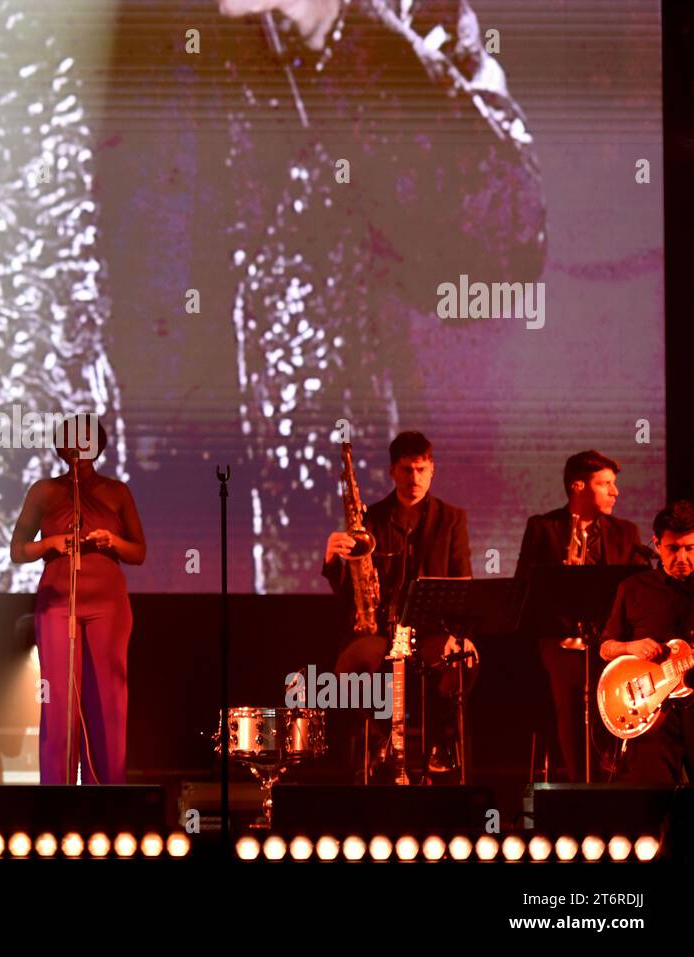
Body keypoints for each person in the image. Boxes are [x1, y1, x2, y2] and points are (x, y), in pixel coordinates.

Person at [213, 0, 546, 590]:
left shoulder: (398, 11)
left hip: (334, 547)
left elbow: (500, 252)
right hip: (147, 539)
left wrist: (332, 26)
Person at [323, 431, 476, 777]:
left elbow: (463, 584)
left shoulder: (452, 519)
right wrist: (333, 561)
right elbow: (353, 591)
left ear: (432, 469)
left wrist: (457, 633)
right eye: (407, 470)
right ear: (392, 471)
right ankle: (376, 739)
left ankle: (441, 742)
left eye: (421, 469)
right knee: (351, 665)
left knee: (462, 658)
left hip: (431, 631)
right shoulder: (370, 520)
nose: (414, 479)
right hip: (381, 631)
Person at [10, 416, 146, 784]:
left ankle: (108, 788)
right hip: (57, 602)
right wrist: (49, 544)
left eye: (85, 441)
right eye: (70, 440)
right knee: (58, 700)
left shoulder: (117, 491)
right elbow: (17, 550)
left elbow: (139, 552)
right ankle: (57, 788)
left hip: (108, 605)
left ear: (97, 446)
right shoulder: (44, 491)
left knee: (108, 697)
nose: (77, 448)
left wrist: (112, 542)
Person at [515, 450, 647, 781]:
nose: (615, 492)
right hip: (560, 640)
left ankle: (619, 774)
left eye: (613, 484)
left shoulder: (626, 532)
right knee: (573, 685)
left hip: (612, 641)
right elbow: (523, 591)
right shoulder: (542, 528)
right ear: (577, 486)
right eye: (605, 484)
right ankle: (580, 785)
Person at [599, 501, 694, 785]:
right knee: (654, 804)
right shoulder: (634, 588)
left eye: (690, 548)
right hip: (653, 714)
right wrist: (631, 647)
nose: (682, 558)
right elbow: (605, 647)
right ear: (656, 544)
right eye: (672, 549)